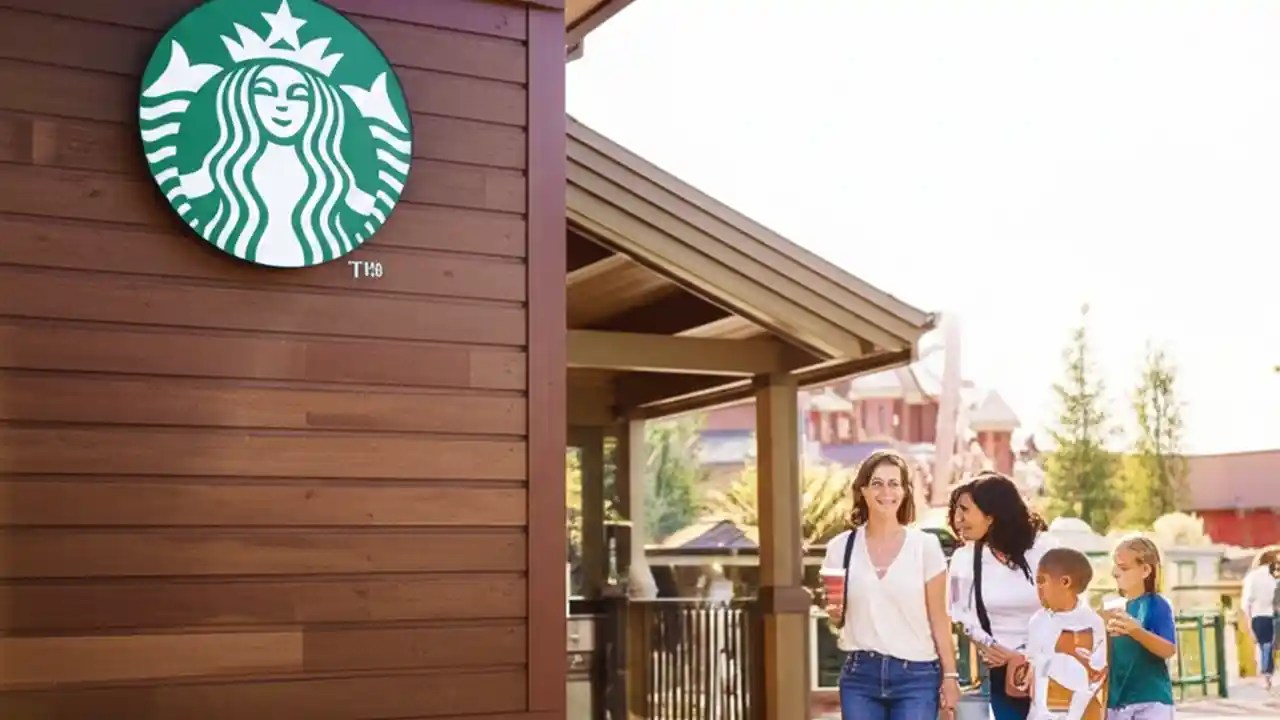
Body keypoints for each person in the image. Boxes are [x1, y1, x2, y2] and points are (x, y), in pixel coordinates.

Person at [822, 449, 962, 719]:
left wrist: (951, 676)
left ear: (904, 491)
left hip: (918, 675)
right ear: (862, 490)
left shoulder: (925, 547)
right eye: (877, 483)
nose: (886, 492)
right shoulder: (840, 548)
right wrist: (833, 610)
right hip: (860, 674)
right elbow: (836, 616)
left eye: (894, 483)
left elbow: (939, 619)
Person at [948, 471, 1057, 720]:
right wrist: (990, 647)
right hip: (1000, 672)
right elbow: (958, 613)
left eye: (964, 510)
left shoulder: (1045, 548)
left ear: (991, 514)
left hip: (1051, 668)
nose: (957, 519)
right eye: (955, 511)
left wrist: (1026, 655)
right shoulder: (964, 558)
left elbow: (1068, 605)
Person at [1027, 548, 1108, 720]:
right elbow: (1035, 672)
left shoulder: (1093, 623)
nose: (1038, 588)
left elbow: (1097, 675)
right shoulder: (1038, 622)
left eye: (1042, 581)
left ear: (1065, 582)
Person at [1103, 535, 1177, 720]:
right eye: (1115, 566)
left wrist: (1136, 631)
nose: (1115, 573)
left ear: (1145, 570)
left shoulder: (1156, 604)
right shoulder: (1113, 607)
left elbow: (1168, 649)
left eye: (1124, 568)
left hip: (1150, 699)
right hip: (1116, 701)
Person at [1241, 547, 1279, 691]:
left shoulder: (1252, 576)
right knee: (1271, 646)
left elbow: (1247, 601)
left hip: (1258, 615)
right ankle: (1268, 674)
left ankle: (1266, 676)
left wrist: (1248, 620)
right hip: (1274, 615)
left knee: (1264, 645)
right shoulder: (1275, 575)